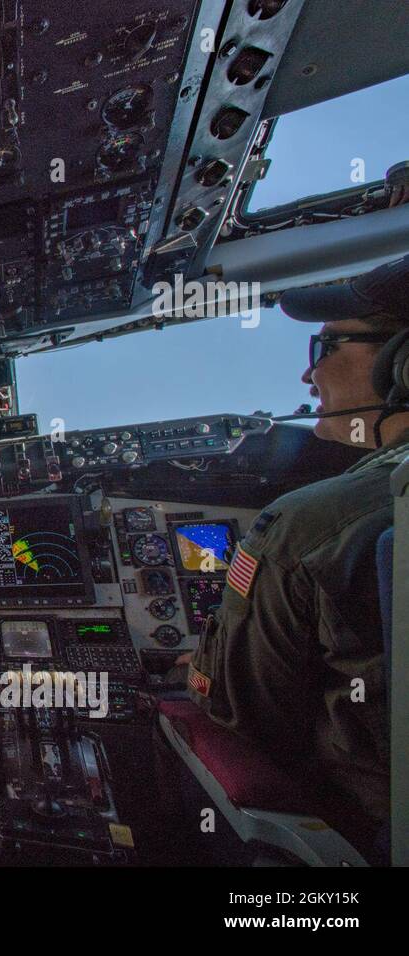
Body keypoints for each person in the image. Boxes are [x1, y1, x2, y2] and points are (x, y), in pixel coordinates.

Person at [184, 253, 409, 856]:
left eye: (326, 348)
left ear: (403, 364)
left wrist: (194, 662)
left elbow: (235, 708)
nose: (310, 379)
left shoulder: (310, 522)